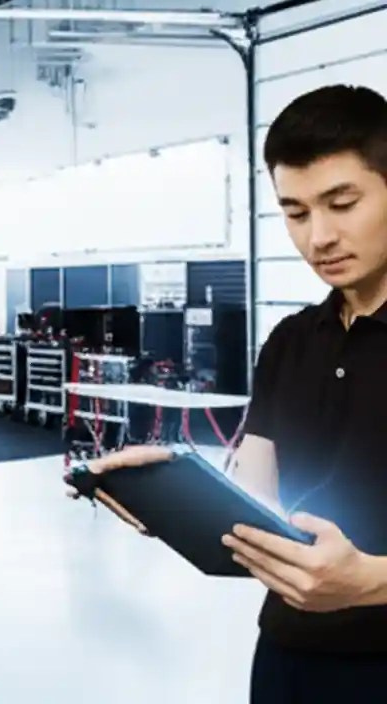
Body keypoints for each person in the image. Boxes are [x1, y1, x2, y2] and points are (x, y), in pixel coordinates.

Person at [68, 84, 387, 702]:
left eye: (341, 203)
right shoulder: (291, 341)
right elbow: (257, 498)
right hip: (289, 656)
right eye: (295, 213)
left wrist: (372, 581)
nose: (318, 236)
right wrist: (174, 499)